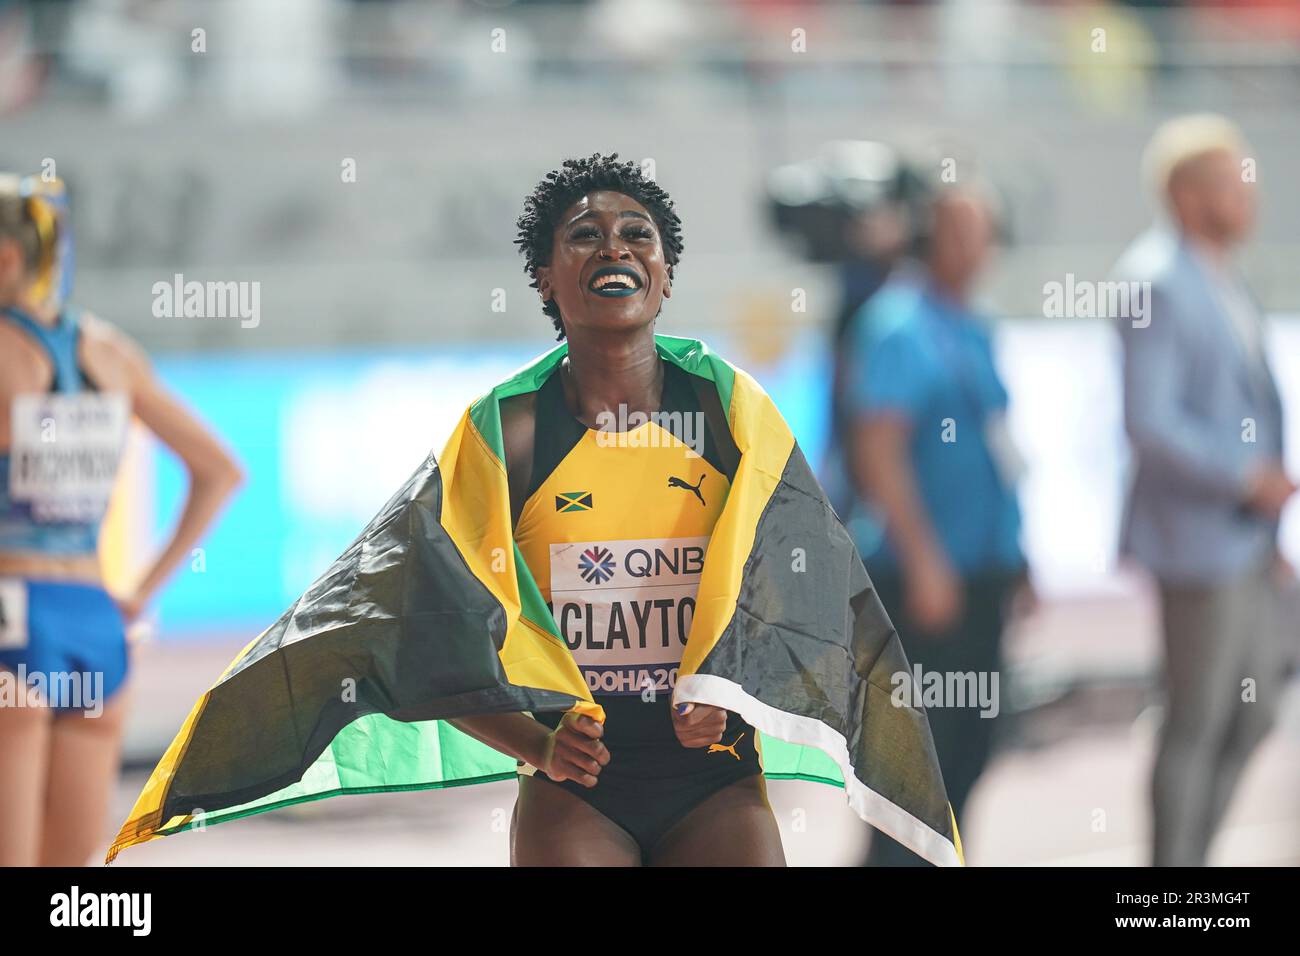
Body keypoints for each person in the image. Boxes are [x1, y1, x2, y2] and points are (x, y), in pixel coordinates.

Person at [108, 154, 962, 869]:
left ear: (665, 274)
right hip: (577, 786)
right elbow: (423, 630)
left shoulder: (730, 411)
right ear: (546, 276)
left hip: (716, 772)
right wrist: (534, 744)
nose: (613, 249)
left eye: (638, 235)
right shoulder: (506, 432)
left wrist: (737, 691)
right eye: (583, 236)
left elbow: (806, 597)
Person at [0, 174, 243, 866]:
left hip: (10, 615)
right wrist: (142, 591)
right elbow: (221, 470)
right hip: (93, 621)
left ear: (8, 259)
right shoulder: (109, 351)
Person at [1113, 114, 1293, 867]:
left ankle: (1192, 861)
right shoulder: (1155, 279)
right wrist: (1245, 475)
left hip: (1245, 542)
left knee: (1250, 716)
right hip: (1197, 541)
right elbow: (1151, 423)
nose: (1247, 200)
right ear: (1187, 195)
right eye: (1231, 185)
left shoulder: (1220, 274)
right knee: (1194, 719)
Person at [842, 182, 1028, 866]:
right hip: (920, 582)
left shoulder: (972, 323)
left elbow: (998, 450)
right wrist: (924, 560)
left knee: (971, 749)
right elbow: (879, 450)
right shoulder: (898, 324)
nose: (976, 248)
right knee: (915, 771)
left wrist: (1020, 560)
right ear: (929, 237)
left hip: (981, 572)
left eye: (983, 232)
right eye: (960, 232)